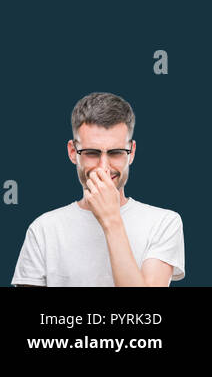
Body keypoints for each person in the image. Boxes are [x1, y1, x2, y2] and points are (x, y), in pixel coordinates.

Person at [12, 92, 184, 287]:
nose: (104, 167)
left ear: (132, 152)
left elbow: (146, 316)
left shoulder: (164, 223)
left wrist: (112, 220)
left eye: (116, 153)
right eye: (92, 153)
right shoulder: (43, 229)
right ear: (72, 152)